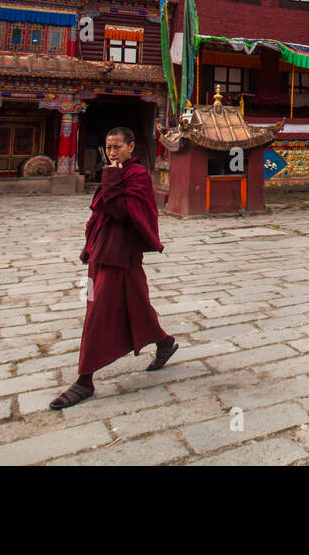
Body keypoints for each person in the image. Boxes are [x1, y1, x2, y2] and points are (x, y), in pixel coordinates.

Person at [50, 126, 178, 409]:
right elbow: (100, 210)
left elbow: (121, 211)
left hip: (119, 255)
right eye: (108, 147)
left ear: (131, 147)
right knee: (136, 305)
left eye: (117, 147)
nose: (112, 152)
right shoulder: (118, 172)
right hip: (101, 253)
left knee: (97, 312)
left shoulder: (138, 175)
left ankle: (85, 379)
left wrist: (111, 175)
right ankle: (164, 342)